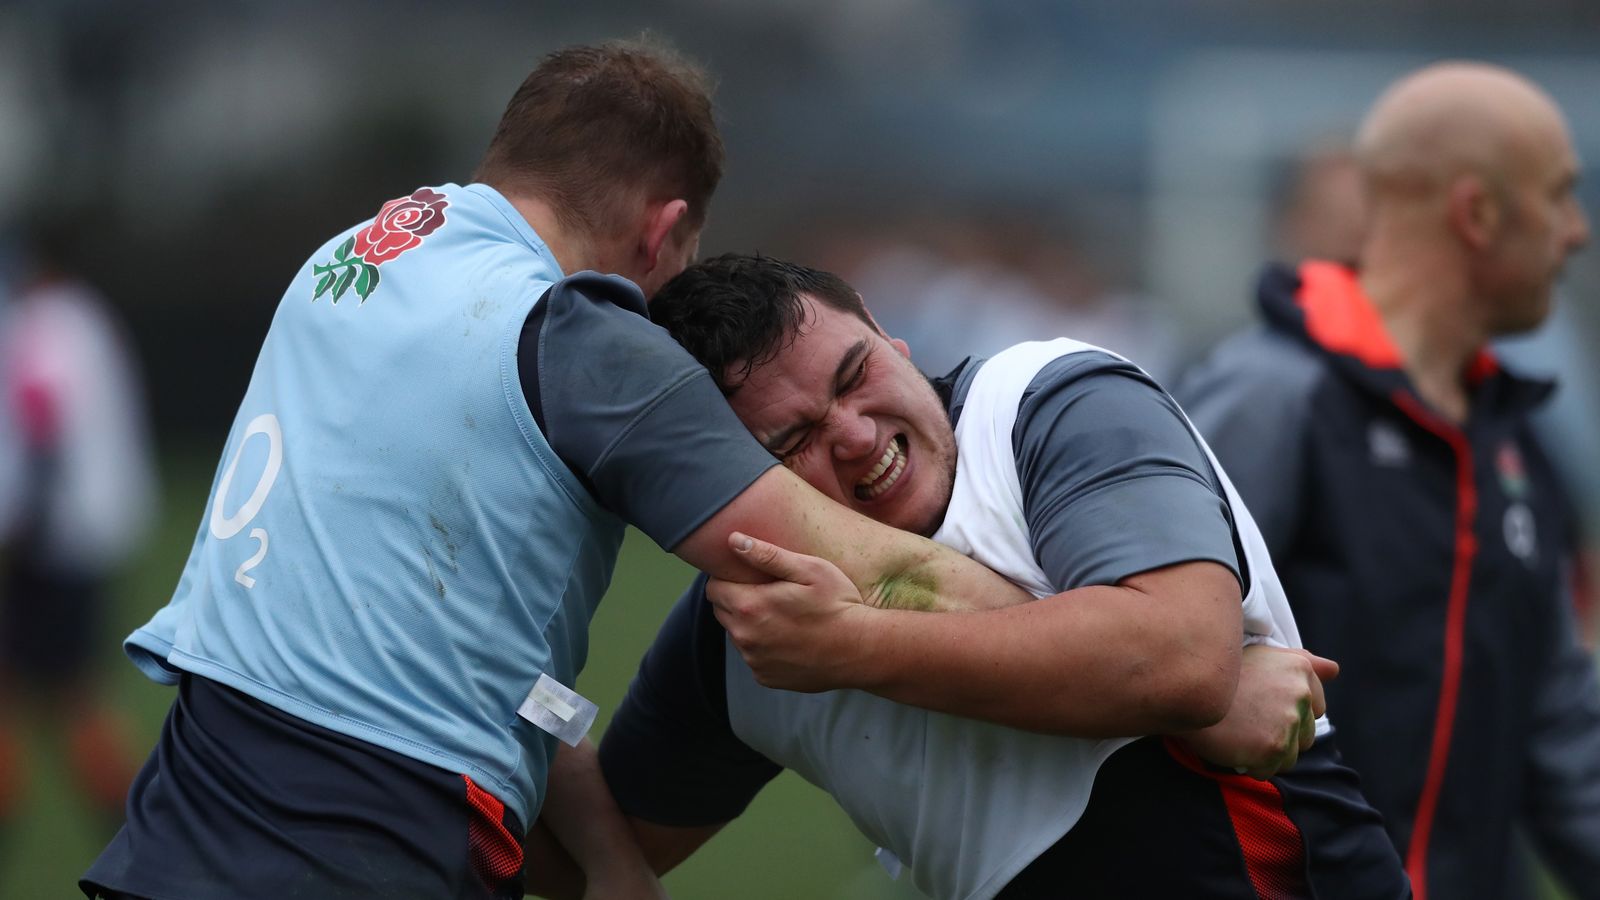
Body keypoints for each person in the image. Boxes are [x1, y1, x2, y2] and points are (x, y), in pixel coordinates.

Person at [79, 38, 1083, 900]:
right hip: (367, 842)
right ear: (663, 229)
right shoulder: (580, 340)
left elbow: (458, 639)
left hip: (182, 820)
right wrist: (1121, 663)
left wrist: (608, 861)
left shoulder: (351, 262)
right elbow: (882, 576)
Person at [578, 254, 1407, 899]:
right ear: (737, 482)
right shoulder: (743, 626)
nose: (857, 436)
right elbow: (597, 848)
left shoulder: (1045, 401)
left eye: (855, 375)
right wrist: (515, 670)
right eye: (792, 441)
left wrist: (850, 646)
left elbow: (1182, 660)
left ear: (884, 329)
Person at [1179, 62, 1600, 900]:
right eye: (1560, 195)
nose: (1577, 232)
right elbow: (1149, 659)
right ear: (1478, 215)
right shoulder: (1273, 397)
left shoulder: (1511, 438)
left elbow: (1558, 727)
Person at [0, 219, 157, 836]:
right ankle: (134, 826)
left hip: (54, 538)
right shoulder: (85, 316)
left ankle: (134, 828)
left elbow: (43, 419)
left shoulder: (46, 323)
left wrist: (27, 525)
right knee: (58, 688)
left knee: (66, 691)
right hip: (85, 532)